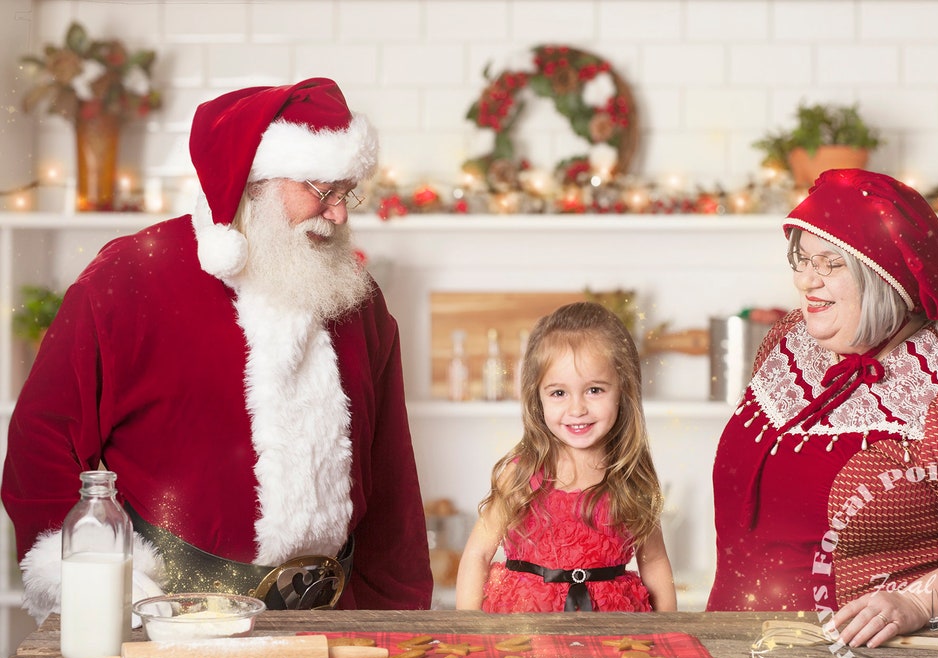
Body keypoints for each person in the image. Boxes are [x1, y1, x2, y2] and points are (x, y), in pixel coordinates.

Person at [2, 78, 433, 620]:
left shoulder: (356, 298)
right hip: (165, 618)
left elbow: (390, 472)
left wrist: (399, 615)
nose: (340, 214)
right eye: (321, 191)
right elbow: (41, 443)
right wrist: (106, 598)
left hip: (335, 621)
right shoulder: (130, 278)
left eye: (347, 193)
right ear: (253, 183)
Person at [707, 169, 938, 647]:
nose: (805, 280)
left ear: (885, 276)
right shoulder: (788, 341)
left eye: (831, 264)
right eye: (802, 259)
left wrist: (917, 603)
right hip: (729, 639)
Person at [456, 302, 677, 612]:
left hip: (615, 637)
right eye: (559, 393)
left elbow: (653, 560)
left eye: (594, 390)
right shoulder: (522, 473)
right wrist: (469, 629)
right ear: (539, 397)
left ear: (622, 390)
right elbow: (478, 554)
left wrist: (669, 635)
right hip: (524, 635)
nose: (577, 409)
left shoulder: (629, 476)